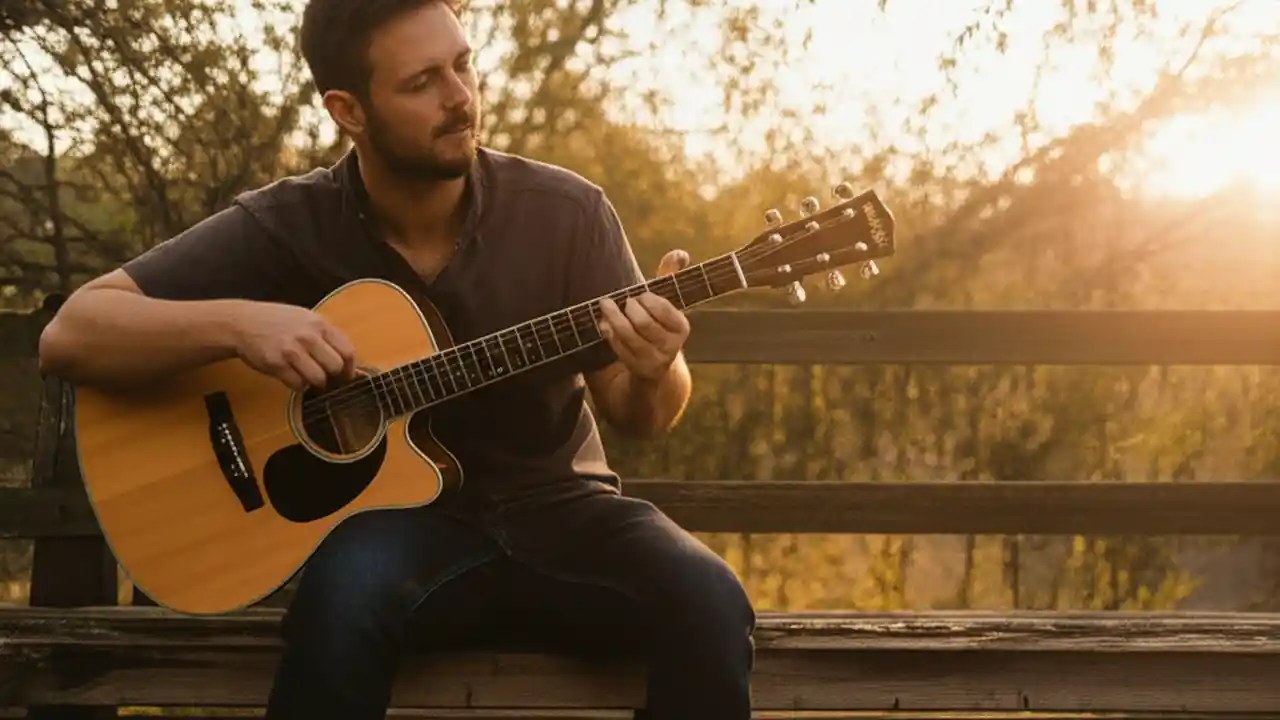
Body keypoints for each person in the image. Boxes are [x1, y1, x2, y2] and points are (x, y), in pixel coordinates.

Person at [36, 0, 756, 717]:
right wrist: (240, 326)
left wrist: (658, 367)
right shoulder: (288, 225)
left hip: (563, 519)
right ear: (348, 110)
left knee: (710, 600)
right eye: (422, 83)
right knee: (343, 601)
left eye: (464, 65)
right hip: (398, 537)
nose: (461, 98)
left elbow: (641, 414)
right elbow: (72, 333)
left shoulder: (566, 212)